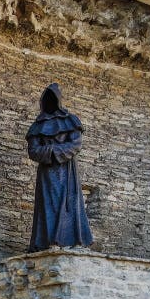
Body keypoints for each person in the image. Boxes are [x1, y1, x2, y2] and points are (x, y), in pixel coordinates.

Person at [26, 83, 93, 251]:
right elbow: (33, 151)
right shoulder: (38, 126)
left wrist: (53, 151)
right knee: (48, 206)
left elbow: (76, 145)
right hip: (47, 174)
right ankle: (48, 241)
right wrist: (50, 153)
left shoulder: (70, 120)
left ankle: (68, 240)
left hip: (67, 171)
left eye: (52, 98)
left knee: (68, 206)